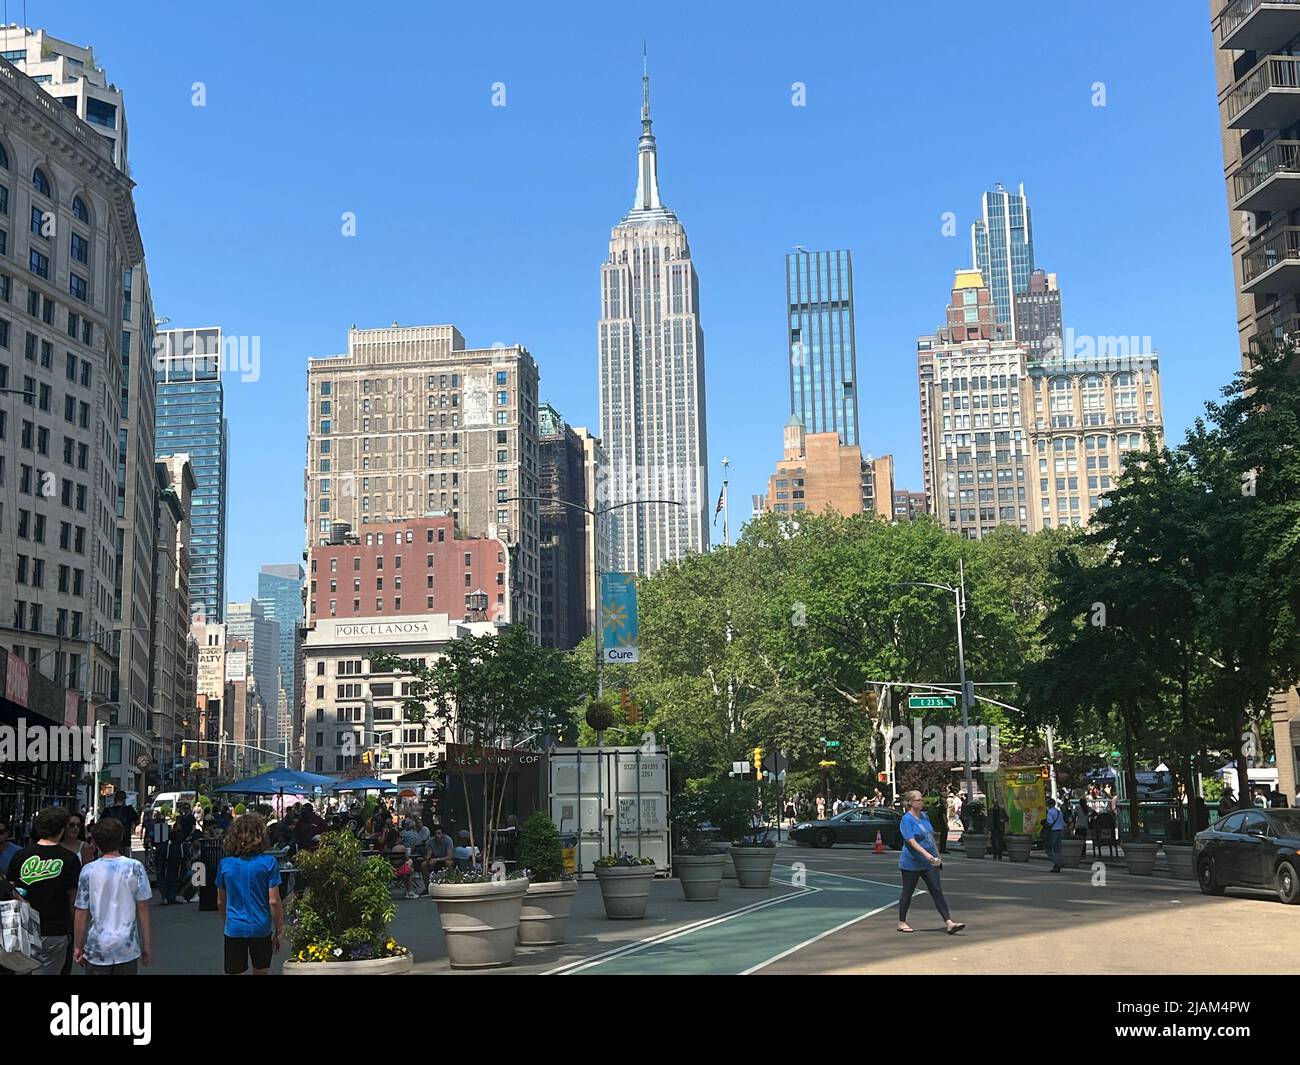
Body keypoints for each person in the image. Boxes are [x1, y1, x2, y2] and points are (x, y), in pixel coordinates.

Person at [6, 806, 82, 975]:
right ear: (62, 829)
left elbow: (12, 893)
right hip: (56, 929)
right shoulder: (69, 859)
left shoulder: (21, 855)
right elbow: (73, 900)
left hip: (24, 927)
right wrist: (75, 933)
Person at [73, 818, 151, 975]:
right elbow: (142, 908)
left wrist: (78, 946)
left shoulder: (88, 870)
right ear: (121, 837)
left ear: (96, 842)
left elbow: (81, 911)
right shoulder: (134, 867)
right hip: (127, 946)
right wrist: (146, 944)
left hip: (97, 945)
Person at [216, 813, 284, 976]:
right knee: (261, 970)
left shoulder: (225, 864)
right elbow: (273, 901)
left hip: (234, 926)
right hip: (260, 926)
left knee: (235, 971)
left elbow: (220, 902)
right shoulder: (269, 863)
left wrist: (228, 921)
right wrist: (280, 930)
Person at [896, 791, 964, 935]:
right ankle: (902, 921)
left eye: (922, 800)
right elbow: (911, 841)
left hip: (929, 863)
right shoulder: (906, 820)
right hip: (911, 863)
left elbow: (930, 838)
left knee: (936, 891)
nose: (921, 802)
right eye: (918, 800)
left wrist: (937, 856)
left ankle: (949, 922)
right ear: (910, 803)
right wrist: (927, 855)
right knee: (908, 892)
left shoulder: (924, 816)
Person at [158, 821, 192, 904]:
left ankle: (164, 897)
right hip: (180, 874)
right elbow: (188, 862)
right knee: (192, 874)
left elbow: (159, 861)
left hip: (165, 874)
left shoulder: (165, 847)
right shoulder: (183, 847)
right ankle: (179, 895)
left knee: (159, 877)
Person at [1043, 798, 1066, 872]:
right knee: (1057, 849)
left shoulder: (1050, 812)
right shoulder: (1059, 812)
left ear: (1048, 804)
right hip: (1059, 831)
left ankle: (1057, 862)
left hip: (1053, 831)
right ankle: (1057, 865)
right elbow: (1063, 823)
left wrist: (1044, 823)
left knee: (1048, 848)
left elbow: (1049, 822)